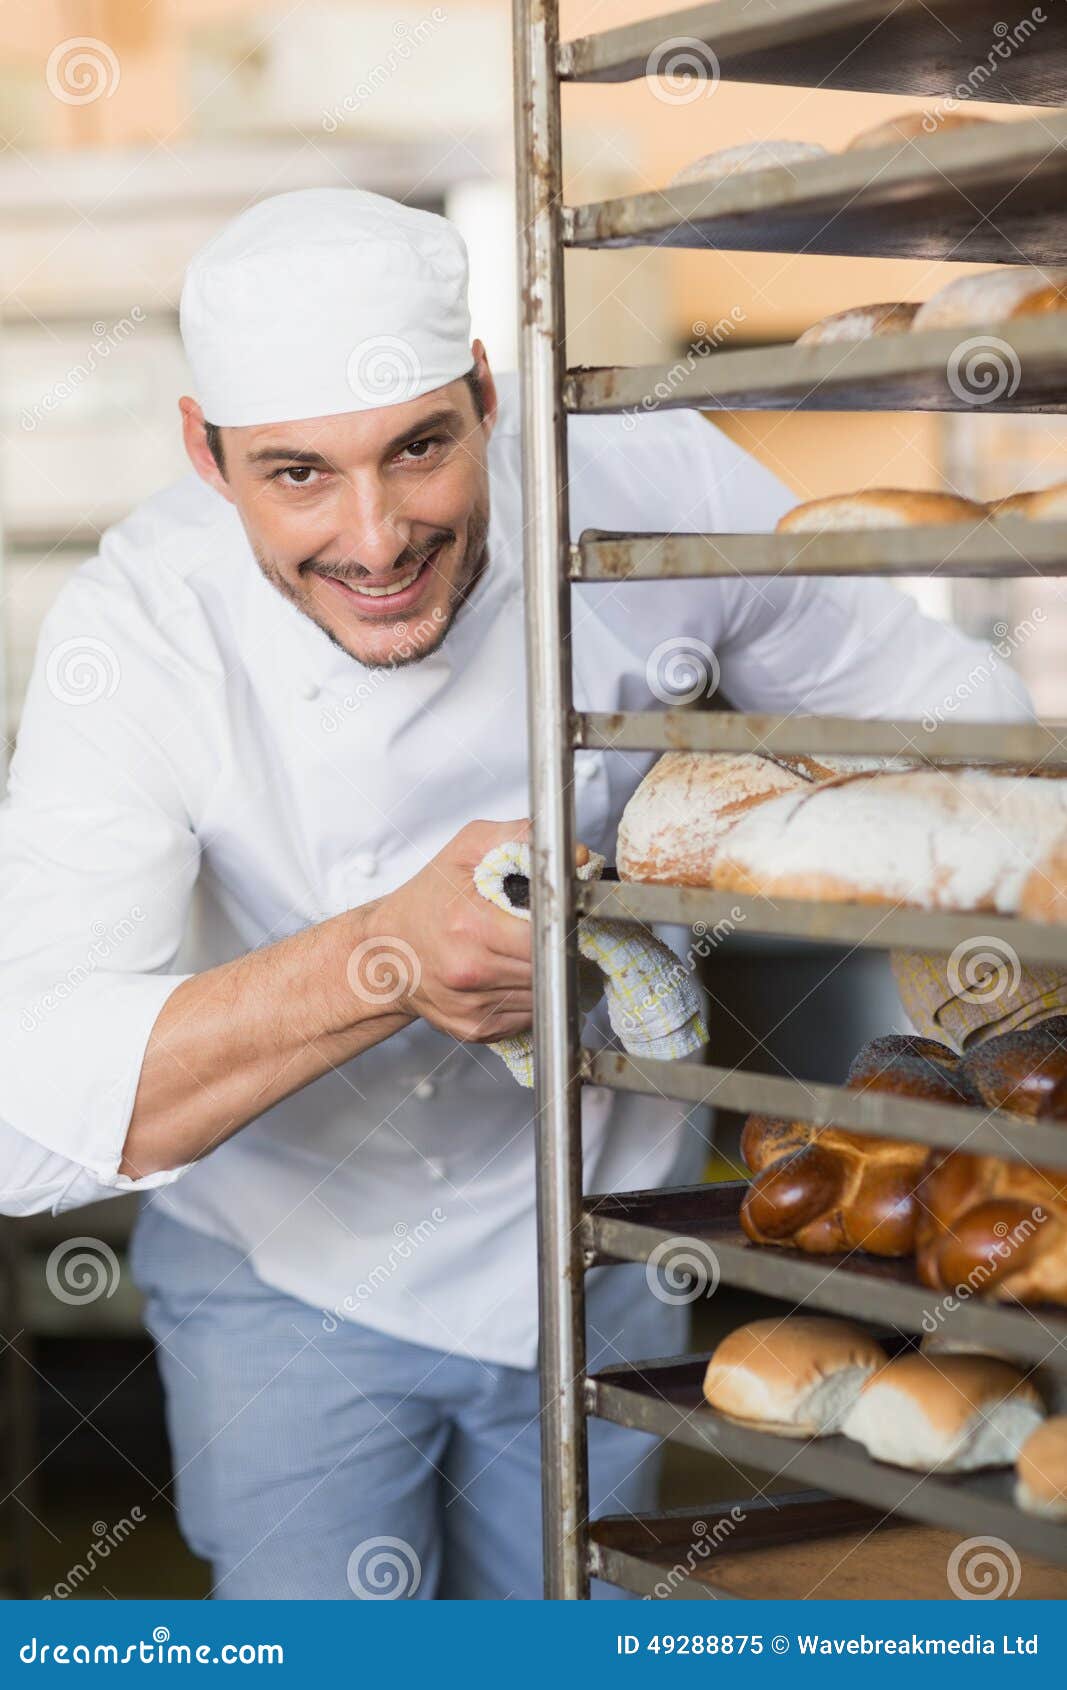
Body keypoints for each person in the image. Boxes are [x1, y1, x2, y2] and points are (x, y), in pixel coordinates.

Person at [0, 188, 1030, 1599]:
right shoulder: (139, 632)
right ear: (204, 451)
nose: (374, 539)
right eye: (297, 475)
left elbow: (938, 714)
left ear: (486, 393)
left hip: (602, 1239)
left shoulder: (654, 486)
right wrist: (379, 958)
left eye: (419, 448)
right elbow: (25, 1113)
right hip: (293, 1271)